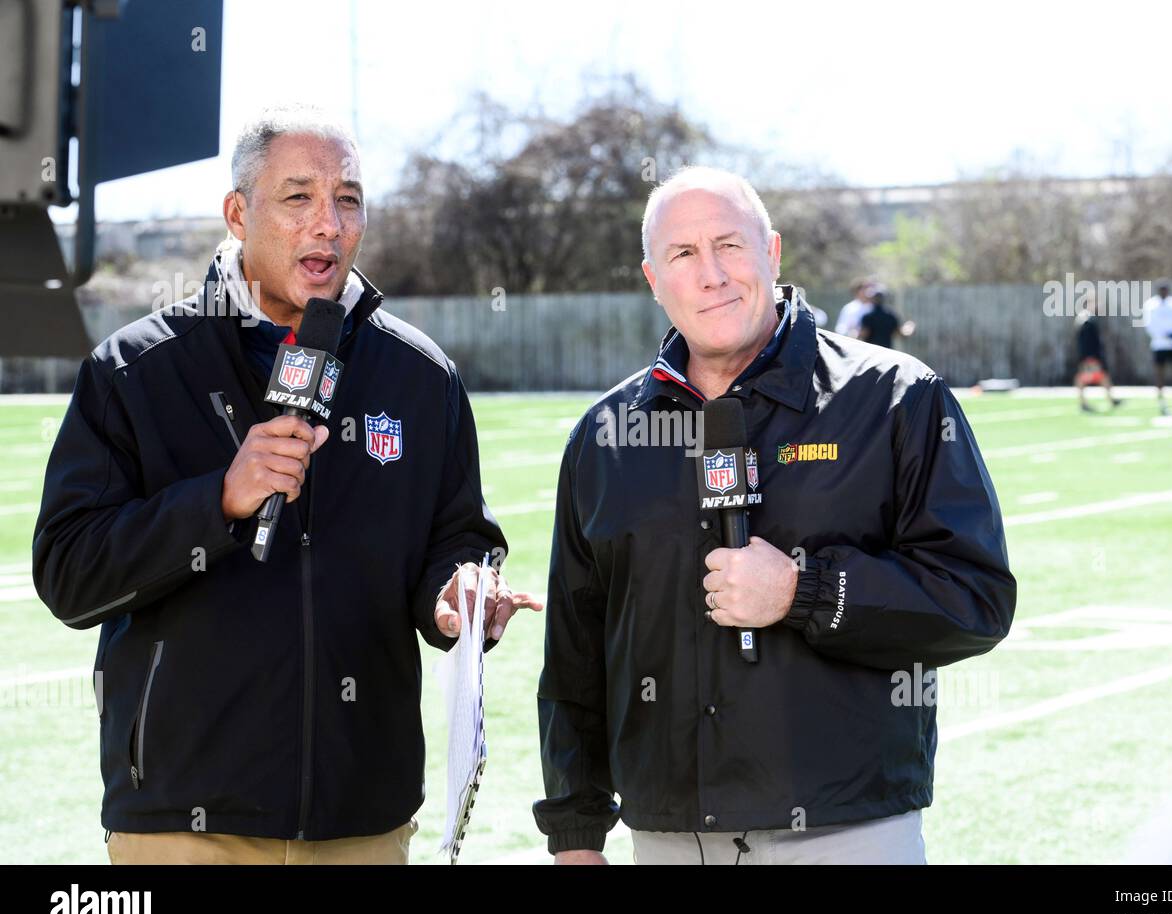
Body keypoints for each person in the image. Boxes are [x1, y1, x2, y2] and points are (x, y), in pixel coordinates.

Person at [31, 105, 540, 865]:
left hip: (361, 818)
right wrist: (218, 502)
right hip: (187, 821)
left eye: (349, 199)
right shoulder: (134, 370)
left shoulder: (420, 376)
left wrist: (456, 596)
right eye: (299, 197)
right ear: (239, 213)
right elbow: (70, 575)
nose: (329, 224)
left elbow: (458, 534)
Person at [532, 167, 1016, 865]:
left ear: (774, 253)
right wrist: (574, 833)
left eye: (729, 245)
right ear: (652, 279)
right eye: (684, 255)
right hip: (670, 840)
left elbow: (977, 600)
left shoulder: (896, 400)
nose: (712, 274)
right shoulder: (604, 438)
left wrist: (804, 591)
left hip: (845, 832)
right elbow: (574, 653)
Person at [1141, 281, 1172, 415]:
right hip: (1160, 344)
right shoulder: (1151, 305)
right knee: (1159, 373)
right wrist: (1163, 335)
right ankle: (1162, 401)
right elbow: (1149, 325)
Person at [1073, 306, 1121, 412]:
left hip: (1088, 356)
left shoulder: (1086, 319)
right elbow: (1087, 343)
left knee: (1100, 377)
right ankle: (1084, 403)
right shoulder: (1086, 321)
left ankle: (1109, 400)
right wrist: (1089, 357)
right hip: (1090, 357)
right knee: (1090, 378)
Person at [858, 285, 915, 350]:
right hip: (886, 352)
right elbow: (899, 334)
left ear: (872, 299)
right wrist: (909, 327)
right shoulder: (891, 315)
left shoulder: (867, 316)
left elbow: (864, 334)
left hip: (871, 353)